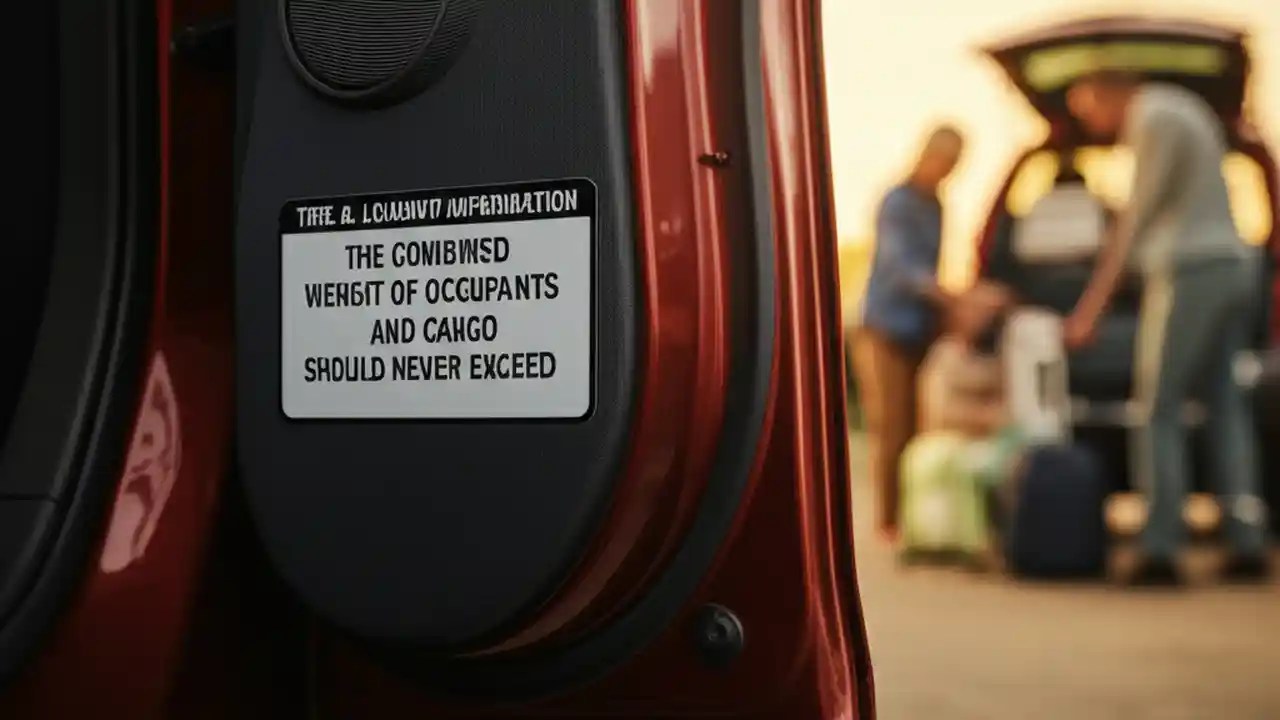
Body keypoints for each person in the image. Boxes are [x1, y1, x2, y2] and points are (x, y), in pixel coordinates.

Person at [1063, 71, 1270, 585]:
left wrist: (1091, 309)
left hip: (1192, 271)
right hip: (1232, 264)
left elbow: (1138, 216)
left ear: (1110, 90)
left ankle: (1159, 550)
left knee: (1158, 408)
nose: (1090, 124)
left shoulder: (1152, 116)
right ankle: (1246, 542)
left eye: (1087, 108)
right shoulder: (1181, 108)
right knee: (1225, 407)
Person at [853, 125, 964, 542]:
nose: (948, 171)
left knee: (919, 426)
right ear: (927, 154)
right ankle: (888, 520)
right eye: (946, 160)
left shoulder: (937, 204)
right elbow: (901, 268)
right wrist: (947, 296)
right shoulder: (897, 201)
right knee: (891, 425)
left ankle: (913, 515)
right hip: (884, 327)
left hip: (921, 328)